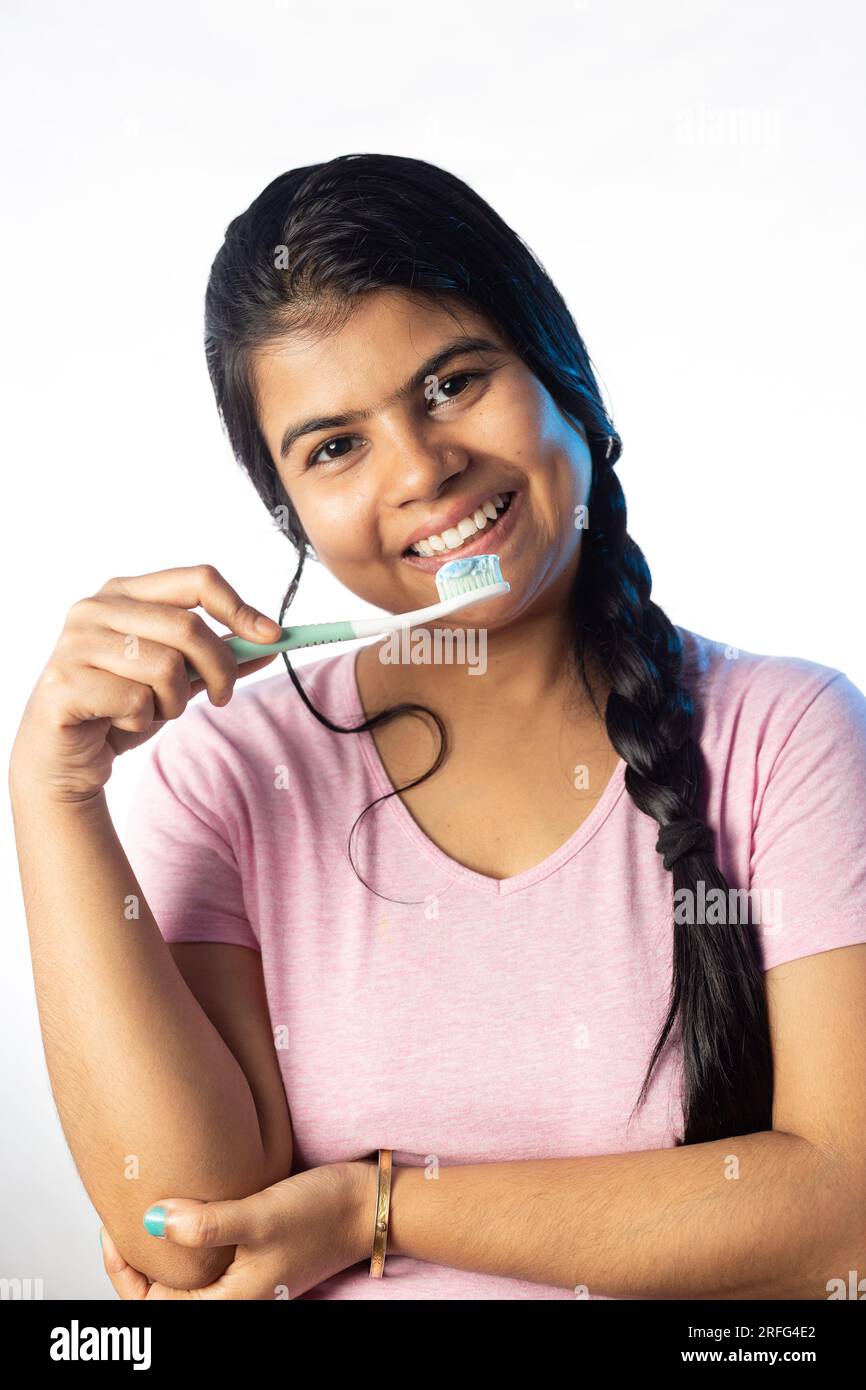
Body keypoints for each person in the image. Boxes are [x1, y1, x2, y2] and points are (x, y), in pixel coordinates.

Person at [10, 153, 866, 1300]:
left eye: (452, 382)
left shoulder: (784, 737)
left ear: (565, 375)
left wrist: (378, 1207)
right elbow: (188, 1240)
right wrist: (52, 797)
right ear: (291, 511)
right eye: (334, 447)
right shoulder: (226, 776)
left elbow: (842, 1219)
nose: (422, 468)